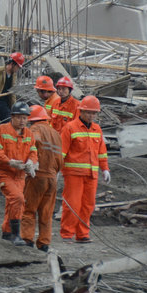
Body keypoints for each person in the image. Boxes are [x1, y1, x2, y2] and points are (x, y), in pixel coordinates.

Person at [60, 96, 110, 243]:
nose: (91, 116)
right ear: (80, 111)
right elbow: (61, 152)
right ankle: (67, 234)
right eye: (88, 112)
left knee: (88, 205)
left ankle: (82, 234)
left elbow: (101, 152)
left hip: (91, 175)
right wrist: (56, 168)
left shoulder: (97, 129)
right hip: (73, 174)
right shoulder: (70, 128)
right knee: (72, 204)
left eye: (94, 113)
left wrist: (105, 169)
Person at [0, 103, 37, 246]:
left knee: (13, 203)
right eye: (19, 117)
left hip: (20, 175)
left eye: (25, 118)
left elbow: (33, 151)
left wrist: (31, 162)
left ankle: (7, 232)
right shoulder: (1, 130)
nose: (22, 121)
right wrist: (9, 162)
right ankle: (16, 235)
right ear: (12, 117)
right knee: (17, 198)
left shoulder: (28, 133)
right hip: (4, 173)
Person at [21, 106, 63, 251]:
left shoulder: (34, 130)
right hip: (52, 178)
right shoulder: (55, 133)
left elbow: (30, 146)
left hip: (37, 176)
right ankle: (44, 243)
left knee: (29, 209)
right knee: (46, 212)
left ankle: (27, 239)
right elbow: (60, 158)